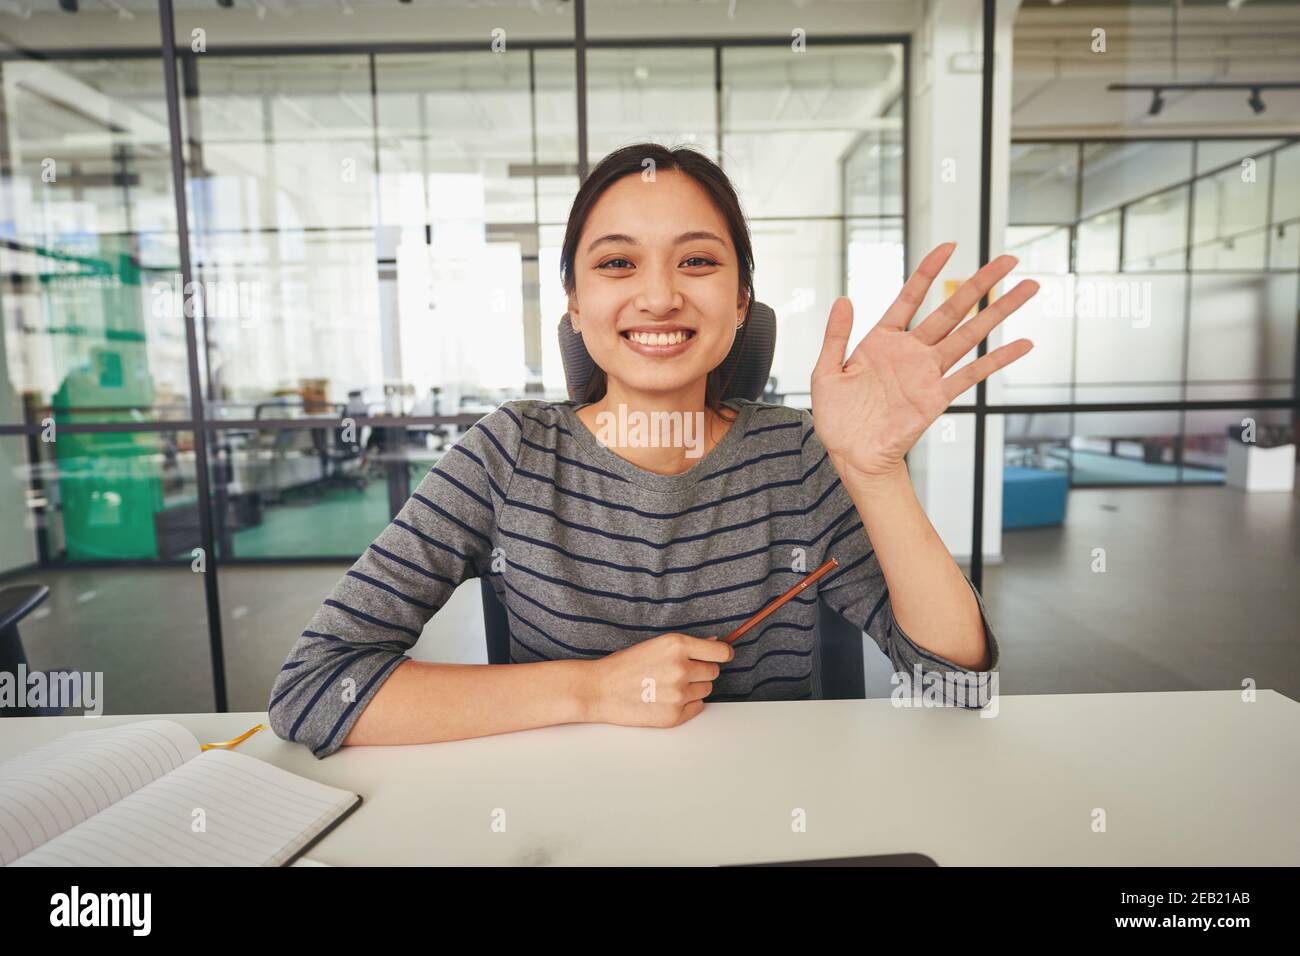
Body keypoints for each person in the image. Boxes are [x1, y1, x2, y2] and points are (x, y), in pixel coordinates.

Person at [269, 143, 1038, 758]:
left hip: (773, 823)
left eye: (698, 261)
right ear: (573, 299)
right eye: (616, 263)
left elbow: (957, 691)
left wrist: (874, 472)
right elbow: (316, 688)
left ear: (742, 302)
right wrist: (591, 691)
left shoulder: (801, 455)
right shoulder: (507, 454)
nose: (661, 295)